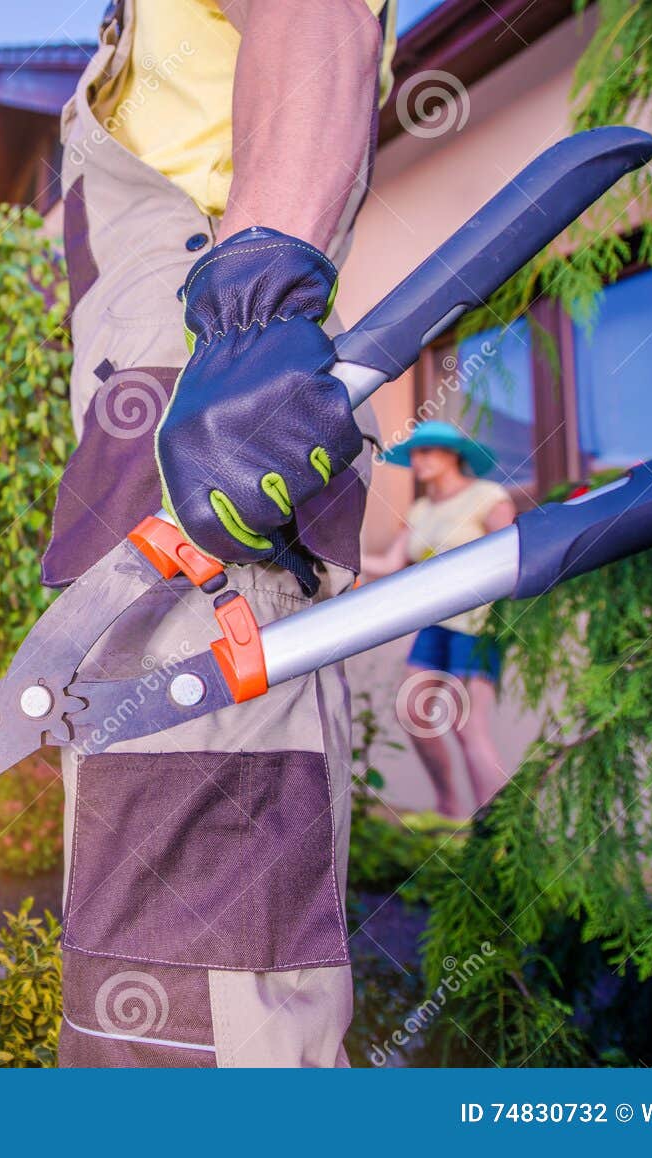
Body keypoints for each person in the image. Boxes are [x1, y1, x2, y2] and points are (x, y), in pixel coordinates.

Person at [42, 0, 396, 1067]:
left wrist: (254, 312)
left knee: (195, 1000)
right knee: (129, 984)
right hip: (147, 462)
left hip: (205, 437)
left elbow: (314, 14)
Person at [362, 421, 516, 817]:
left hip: (478, 623)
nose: (419, 459)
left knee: (467, 725)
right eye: (415, 452)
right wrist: (334, 556)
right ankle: (448, 806)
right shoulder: (421, 509)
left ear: (454, 455)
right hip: (436, 621)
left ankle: (495, 825)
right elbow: (393, 563)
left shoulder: (489, 497)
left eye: (428, 450)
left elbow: (511, 554)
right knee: (413, 711)